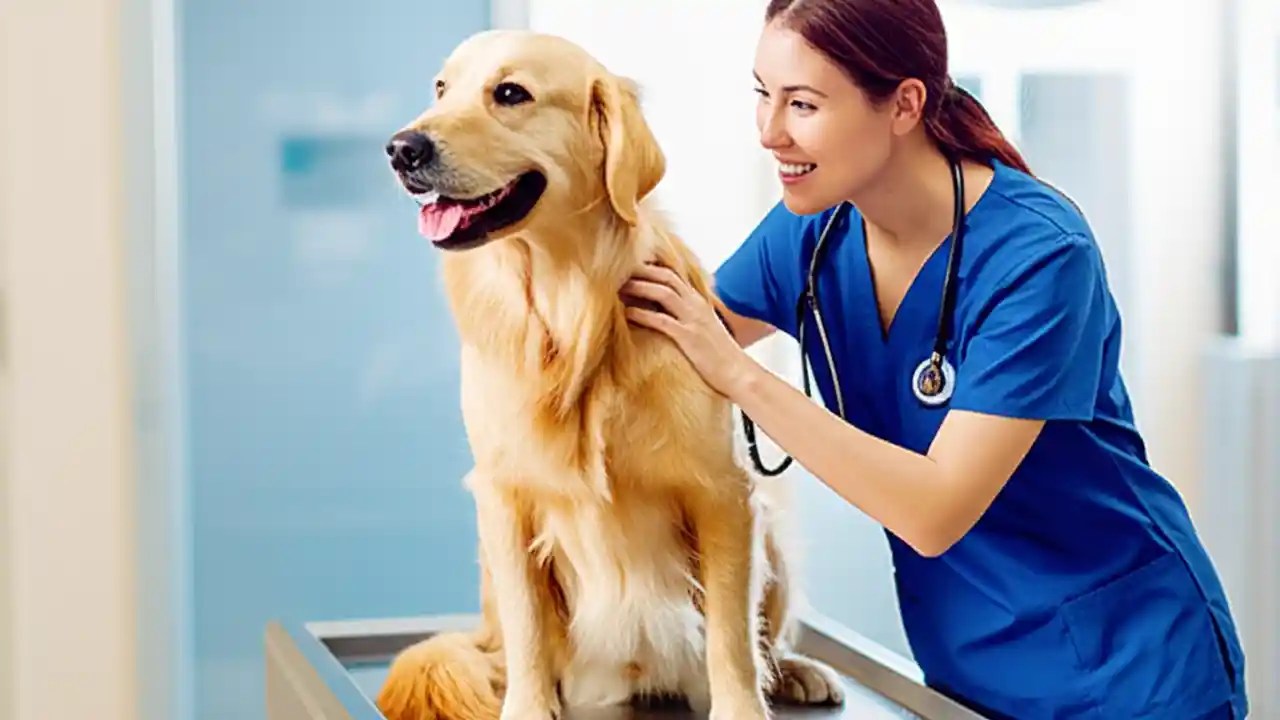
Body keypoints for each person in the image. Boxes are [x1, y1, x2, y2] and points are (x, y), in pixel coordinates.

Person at [619, 1, 1248, 718]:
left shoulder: (1038, 256)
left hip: (1126, 672)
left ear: (904, 104)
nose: (769, 132)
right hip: (964, 670)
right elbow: (660, 344)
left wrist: (739, 378)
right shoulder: (813, 234)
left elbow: (934, 510)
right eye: (762, 93)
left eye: (803, 103)